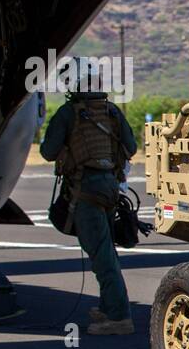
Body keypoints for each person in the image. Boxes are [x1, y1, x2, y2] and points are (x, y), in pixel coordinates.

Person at [40, 85, 136, 335]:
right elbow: (131, 147)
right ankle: (107, 307)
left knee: (101, 255)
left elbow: (48, 151)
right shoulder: (112, 111)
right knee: (106, 249)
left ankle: (119, 318)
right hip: (110, 188)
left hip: (85, 190)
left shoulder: (67, 113)